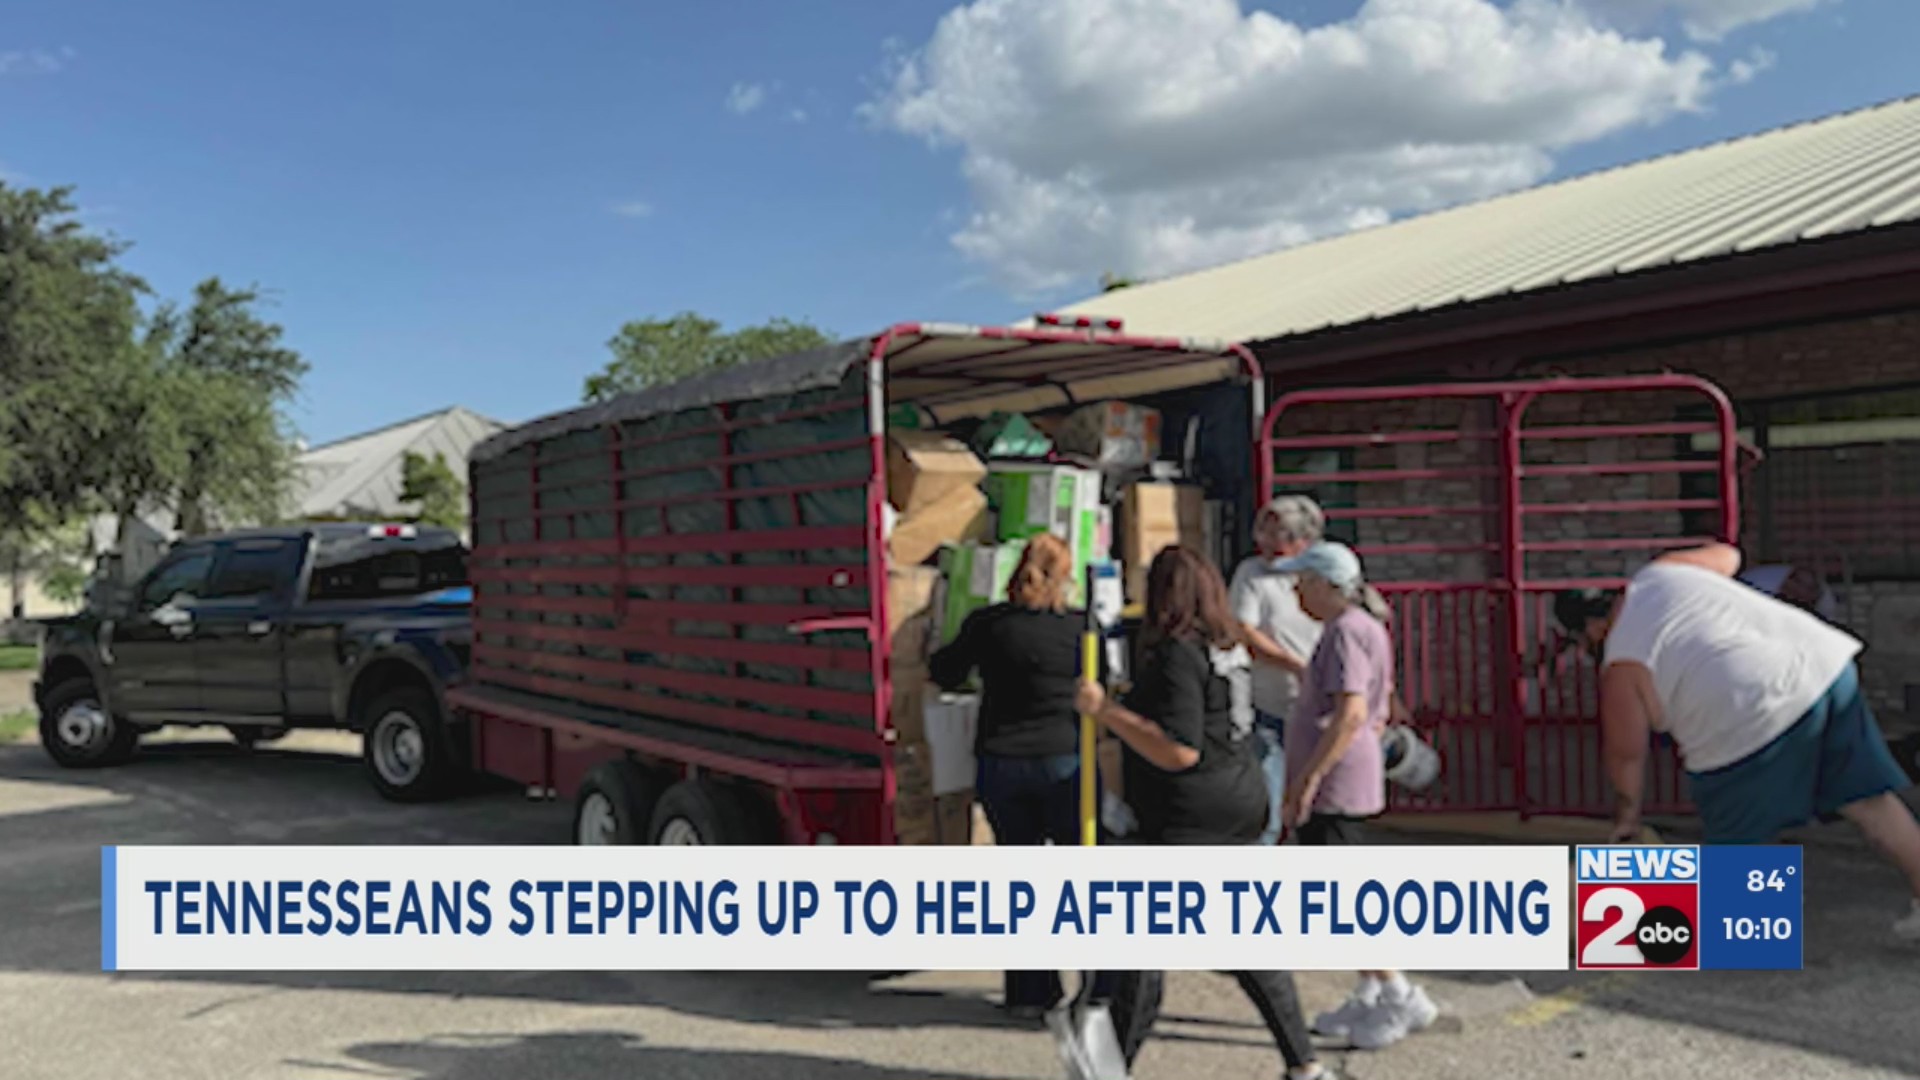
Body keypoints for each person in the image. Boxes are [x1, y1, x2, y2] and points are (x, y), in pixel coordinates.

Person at [1074, 546, 1344, 1080]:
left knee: (1139, 955)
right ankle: (1304, 1064)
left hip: (1191, 814)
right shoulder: (1228, 642)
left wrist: (1108, 711)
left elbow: (1179, 750)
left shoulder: (1178, 653)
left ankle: (1109, 1071)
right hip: (1238, 800)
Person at [1561, 542, 1920, 941]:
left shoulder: (1619, 663)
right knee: (1870, 802)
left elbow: (1626, 756)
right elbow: (1727, 555)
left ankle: (1755, 918)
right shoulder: (1660, 573)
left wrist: (1627, 819)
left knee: (1736, 843)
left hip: (1747, 709)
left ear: (1592, 629)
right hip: (1822, 665)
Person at [1270, 541, 1439, 1050]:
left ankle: (1397, 991)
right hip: (1343, 776)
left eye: (1302, 581)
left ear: (1326, 585)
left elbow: (1348, 713)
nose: (1296, 591)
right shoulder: (1357, 628)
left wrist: (1306, 781)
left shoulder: (1346, 632)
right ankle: (1370, 988)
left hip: (1338, 782)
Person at [930, 532, 1101, 1018]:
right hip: (1065, 762)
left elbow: (944, 671)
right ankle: (1095, 991)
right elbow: (1102, 685)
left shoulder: (988, 624)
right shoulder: (1081, 628)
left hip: (1002, 763)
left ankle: (1031, 993)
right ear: (1066, 575)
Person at [1228, 495, 1326, 845]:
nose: (1265, 543)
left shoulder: (1324, 571)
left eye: (1278, 536)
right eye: (1263, 534)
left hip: (1320, 711)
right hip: (1269, 708)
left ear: (1305, 541)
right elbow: (1244, 630)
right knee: (1266, 810)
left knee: (1319, 808)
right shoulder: (1252, 573)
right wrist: (1294, 665)